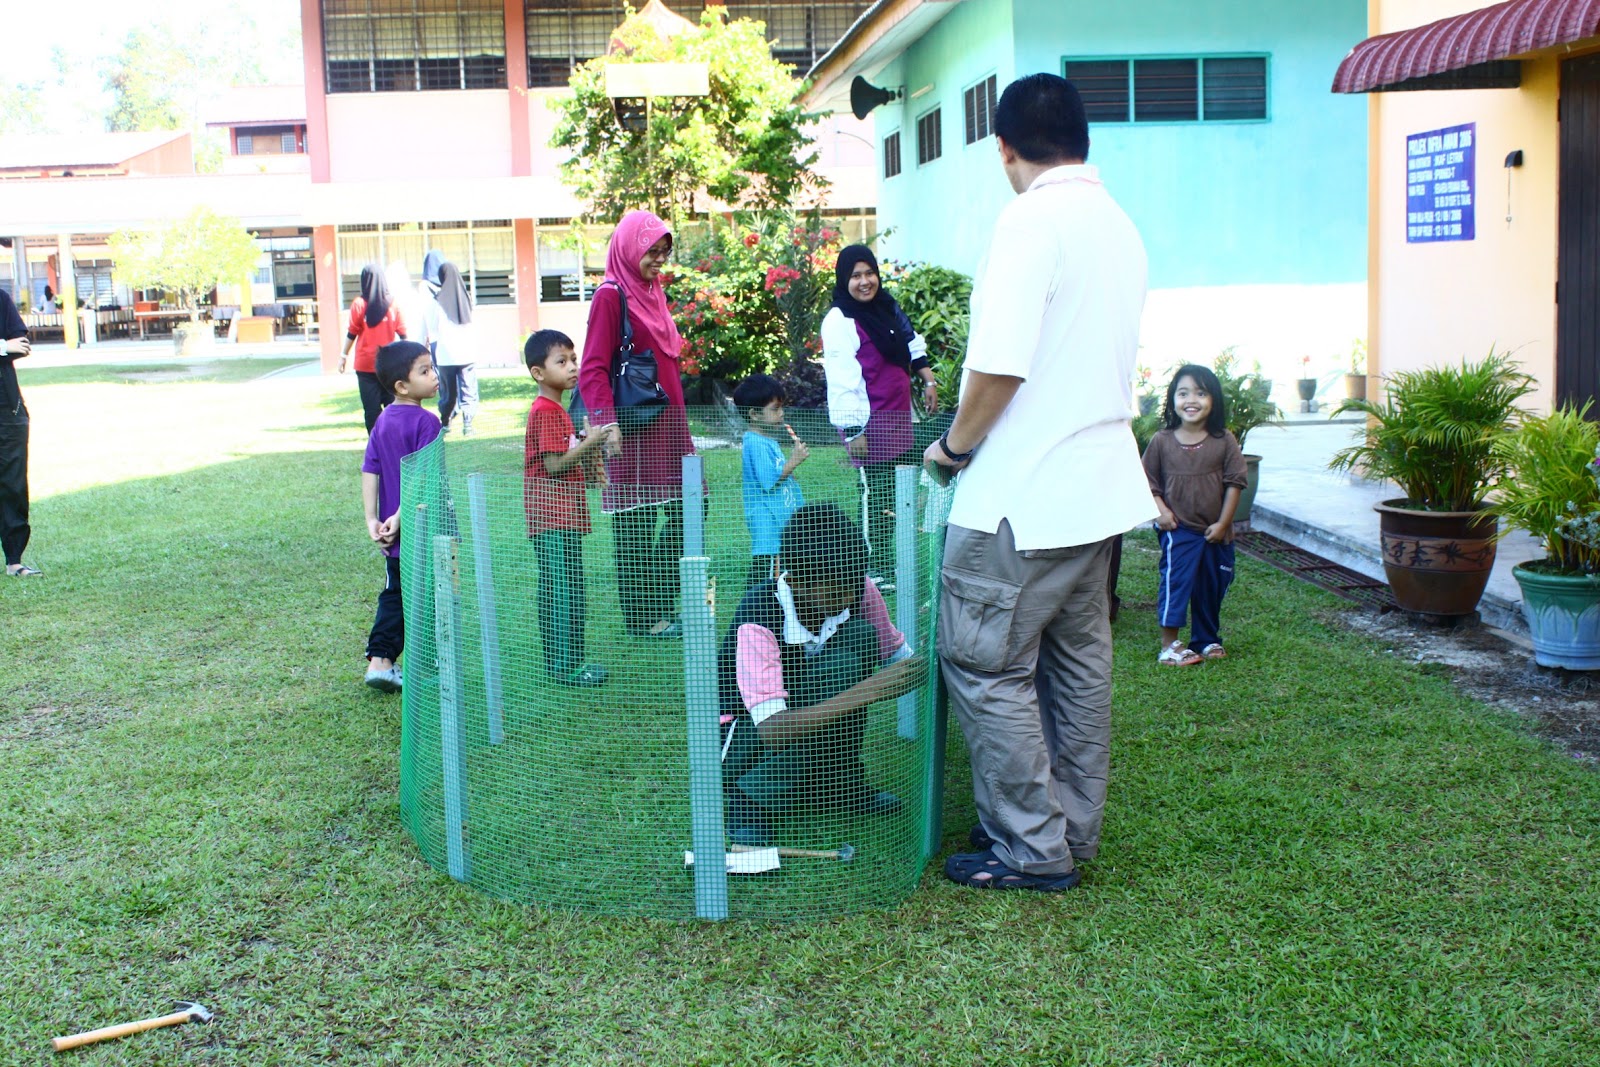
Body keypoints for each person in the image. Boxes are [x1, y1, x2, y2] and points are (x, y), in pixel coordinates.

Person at [922, 73, 1154, 892]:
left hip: (1020, 497)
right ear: (1084, 141)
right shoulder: (1120, 224)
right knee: (1077, 667)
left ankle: (1030, 846)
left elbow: (999, 366)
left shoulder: (1029, 220)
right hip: (1098, 495)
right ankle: (1071, 830)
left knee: (986, 664)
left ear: (1005, 149)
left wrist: (952, 448)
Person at [718, 503, 923, 847]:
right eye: (834, 590)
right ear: (794, 579)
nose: (846, 599)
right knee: (840, 672)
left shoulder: (858, 589)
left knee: (858, 636)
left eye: (853, 584)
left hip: (801, 712)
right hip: (745, 735)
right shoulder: (759, 615)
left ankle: (838, 786)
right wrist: (867, 690)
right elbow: (772, 729)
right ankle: (747, 804)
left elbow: (899, 659)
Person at [577, 210, 697, 639]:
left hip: (669, 425)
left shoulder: (653, 290)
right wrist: (606, 424)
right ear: (629, 247)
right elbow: (592, 367)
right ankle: (645, 618)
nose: (659, 259)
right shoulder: (611, 295)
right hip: (632, 429)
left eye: (665, 251)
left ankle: (660, 600)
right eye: (652, 250)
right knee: (635, 524)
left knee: (690, 508)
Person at [822, 245, 939, 586]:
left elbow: (910, 341)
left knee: (895, 493)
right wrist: (854, 430)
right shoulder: (839, 320)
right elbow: (843, 379)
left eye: (869, 273)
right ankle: (871, 568)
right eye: (855, 276)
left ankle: (890, 562)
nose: (864, 282)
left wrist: (928, 379)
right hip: (867, 425)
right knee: (875, 497)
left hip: (897, 418)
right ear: (844, 280)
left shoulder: (886, 306)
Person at [523, 329, 619, 689]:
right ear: (538, 373)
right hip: (553, 520)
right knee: (563, 592)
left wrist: (590, 451)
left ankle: (566, 663)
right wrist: (591, 440)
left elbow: (568, 460)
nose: (572, 367)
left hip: (565, 518)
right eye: (561, 362)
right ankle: (566, 667)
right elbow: (553, 465)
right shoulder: (546, 411)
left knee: (567, 589)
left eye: (573, 359)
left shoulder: (556, 411)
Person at [1143, 364, 1247, 666]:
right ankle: (1170, 645)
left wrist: (1224, 523)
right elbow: (1147, 483)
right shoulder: (1162, 441)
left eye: (1201, 393)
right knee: (1176, 583)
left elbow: (1235, 483)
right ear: (1172, 400)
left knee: (1211, 586)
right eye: (1183, 392)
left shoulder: (1224, 440)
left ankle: (1206, 638)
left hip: (1216, 532)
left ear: (1213, 400)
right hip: (1179, 530)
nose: (1192, 399)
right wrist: (1161, 512)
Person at [359, 341, 441, 693]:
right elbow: (423, 478)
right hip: (423, 528)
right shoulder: (428, 422)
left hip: (394, 530)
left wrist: (373, 519)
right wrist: (400, 517)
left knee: (396, 593)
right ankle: (420, 662)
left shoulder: (382, 420)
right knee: (431, 595)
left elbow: (369, 470)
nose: (435, 375)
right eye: (424, 371)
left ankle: (383, 660)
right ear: (401, 386)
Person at [733, 373, 808, 587]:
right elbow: (769, 480)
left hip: (781, 525)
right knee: (765, 580)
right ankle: (754, 615)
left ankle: (773, 614)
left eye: (781, 408)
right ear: (754, 414)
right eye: (775, 409)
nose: (781, 414)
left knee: (782, 577)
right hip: (769, 528)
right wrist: (794, 460)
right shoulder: (755, 442)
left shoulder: (768, 441)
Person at [339, 265, 408, 433]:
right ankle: (394, 440)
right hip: (389, 367)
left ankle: (376, 444)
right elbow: (404, 334)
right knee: (394, 408)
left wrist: (343, 356)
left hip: (365, 367)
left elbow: (352, 333)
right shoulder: (393, 304)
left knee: (371, 411)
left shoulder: (359, 304)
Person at [0, 288, 38, 577]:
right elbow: (9, 346)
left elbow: (21, 344)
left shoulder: (0, 298)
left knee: (13, 484)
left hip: (7, 408)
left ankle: (14, 560)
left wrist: (9, 346)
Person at [421, 262, 480, 435]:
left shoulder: (438, 300)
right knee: (468, 389)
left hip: (446, 355)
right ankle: (468, 424)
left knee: (448, 392)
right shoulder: (466, 297)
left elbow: (432, 327)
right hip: (467, 353)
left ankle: (446, 422)